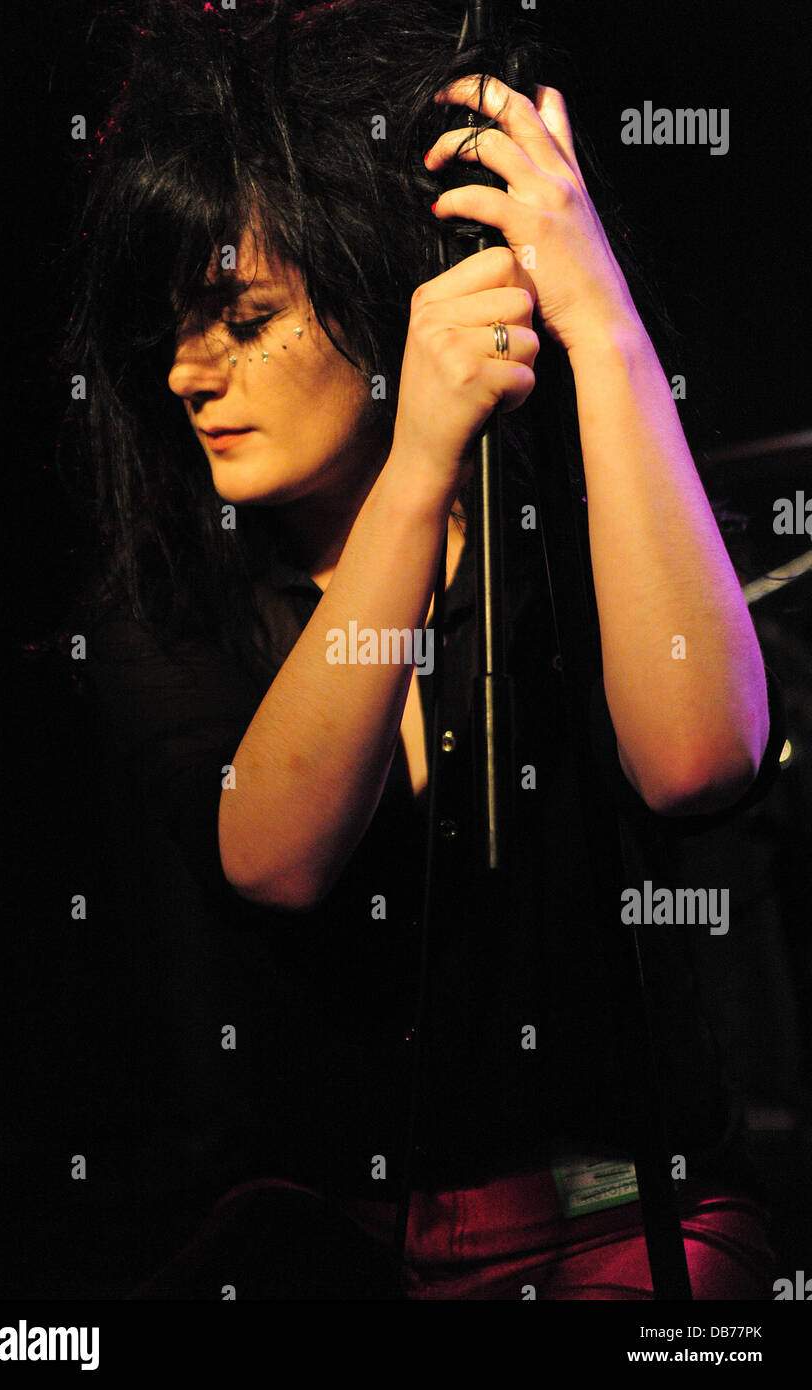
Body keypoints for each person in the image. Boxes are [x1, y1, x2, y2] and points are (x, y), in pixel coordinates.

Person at [64, 0, 785, 1298]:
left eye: (241, 318)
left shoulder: (556, 519)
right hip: (324, 1226)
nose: (185, 373)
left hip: (628, 1204)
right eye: (170, 327)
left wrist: (600, 320)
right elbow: (274, 857)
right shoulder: (171, 588)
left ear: (374, 282)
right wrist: (414, 464)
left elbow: (699, 757)